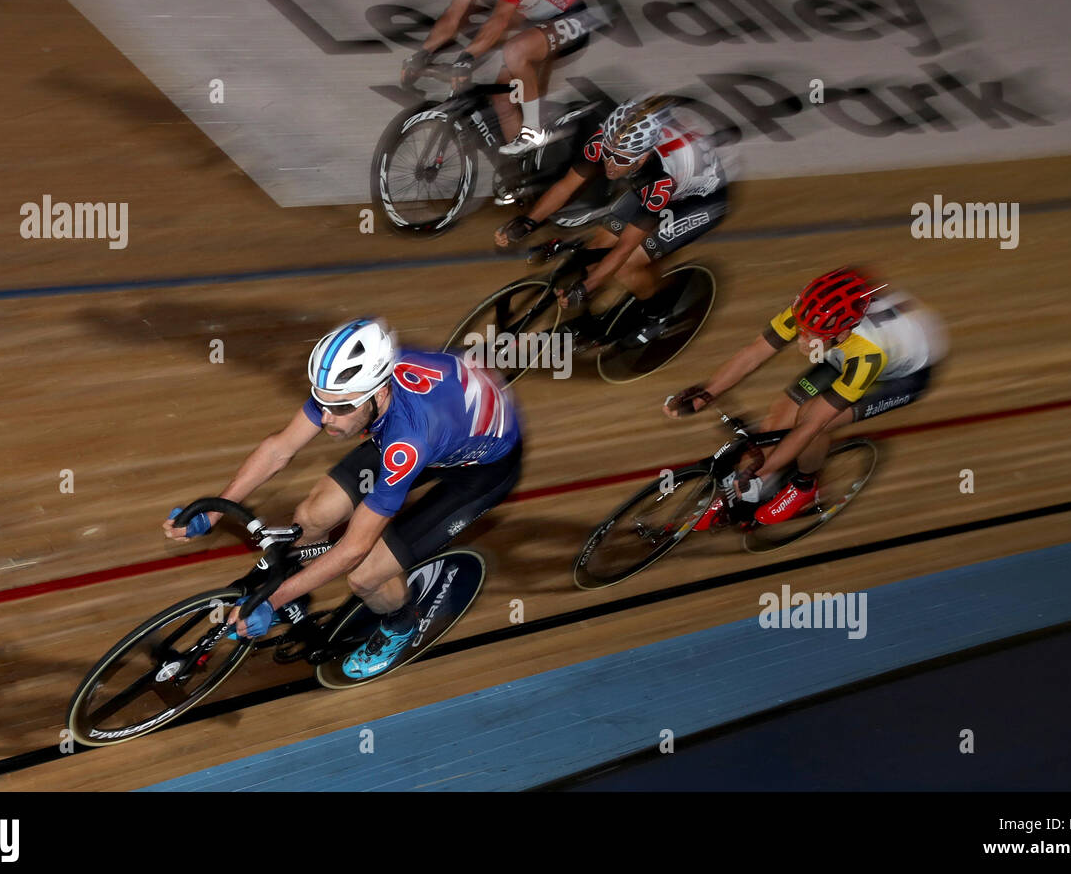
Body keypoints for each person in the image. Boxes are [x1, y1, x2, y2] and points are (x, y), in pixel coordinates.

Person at [162, 318, 522, 679]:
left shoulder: (407, 443)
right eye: (321, 402)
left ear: (379, 393)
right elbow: (279, 450)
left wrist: (272, 600)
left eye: (341, 408)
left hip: (478, 471)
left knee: (365, 574)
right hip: (442, 425)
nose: (326, 418)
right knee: (312, 516)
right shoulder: (347, 387)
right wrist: (212, 511)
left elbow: (353, 548)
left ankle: (400, 624)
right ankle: (297, 594)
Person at [664, 267, 947, 523]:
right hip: (849, 353)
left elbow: (813, 424)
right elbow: (754, 353)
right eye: (801, 329)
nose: (801, 339)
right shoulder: (811, 312)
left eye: (810, 335)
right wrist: (706, 392)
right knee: (779, 415)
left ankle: (805, 487)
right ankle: (755, 488)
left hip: (903, 376)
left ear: (841, 331)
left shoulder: (866, 353)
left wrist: (760, 471)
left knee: (811, 423)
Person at [495, 95, 728, 349]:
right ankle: (591, 323)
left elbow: (625, 248)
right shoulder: (609, 140)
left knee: (628, 263)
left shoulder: (659, 179)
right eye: (608, 155)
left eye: (621, 159)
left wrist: (587, 287)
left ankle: (657, 316)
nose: (610, 165)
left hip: (699, 201)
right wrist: (529, 221)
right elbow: (567, 186)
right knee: (596, 251)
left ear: (641, 158)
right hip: (653, 183)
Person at [402, 0, 595, 155]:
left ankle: (533, 131)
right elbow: (452, 16)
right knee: (503, 97)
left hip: (573, 16)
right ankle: (523, 172)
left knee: (515, 51)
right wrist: (422, 53)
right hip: (540, 22)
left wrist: (467, 57)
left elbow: (501, 18)